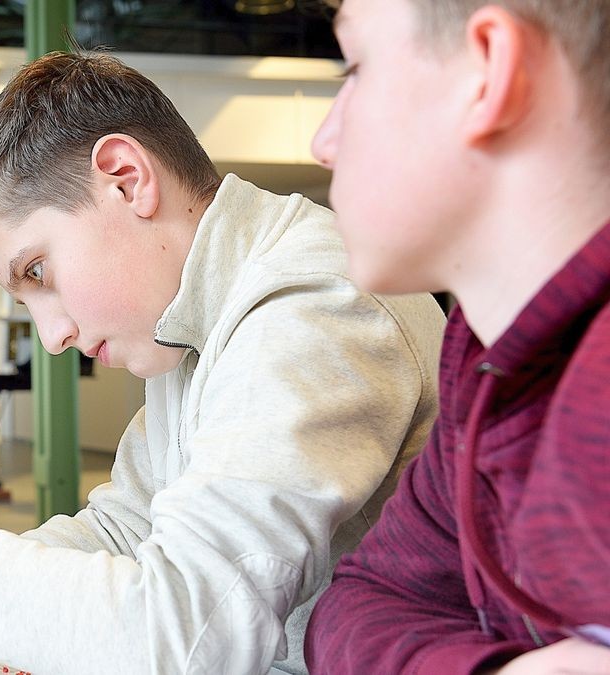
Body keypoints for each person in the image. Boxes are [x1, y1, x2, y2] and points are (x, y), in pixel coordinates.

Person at [0, 51, 446, 674]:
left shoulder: (312, 302)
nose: (52, 335)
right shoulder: (196, 324)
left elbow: (187, 637)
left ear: (125, 177)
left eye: (38, 272)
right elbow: (123, 535)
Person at [303, 0, 610, 673]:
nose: (322, 141)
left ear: (488, 71)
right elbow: (362, 599)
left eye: (354, 68)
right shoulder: (487, 371)